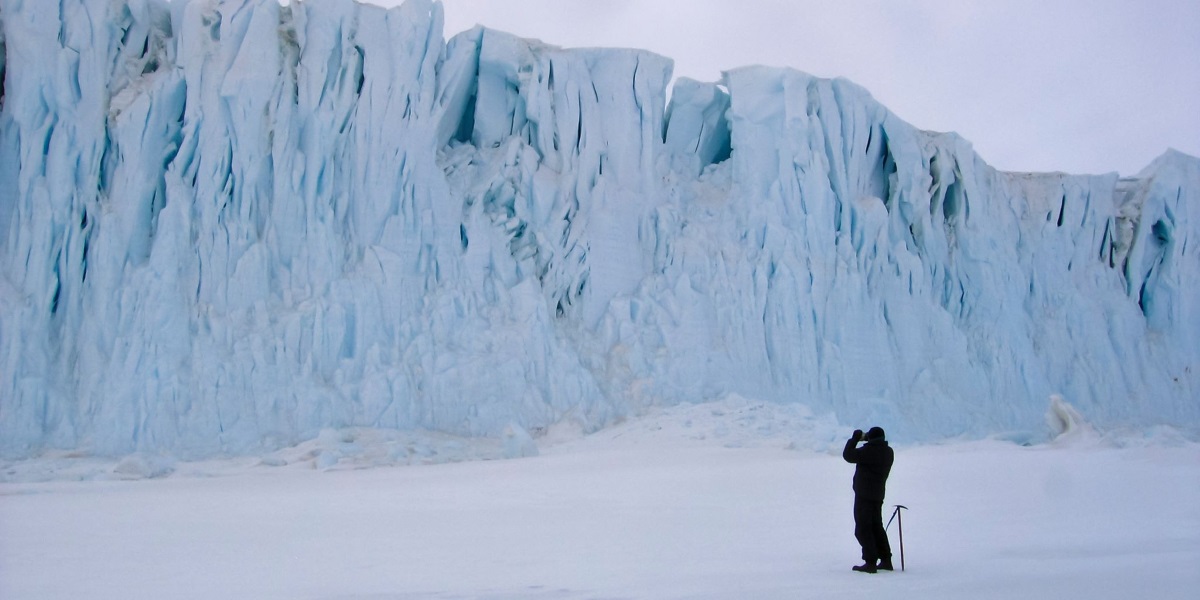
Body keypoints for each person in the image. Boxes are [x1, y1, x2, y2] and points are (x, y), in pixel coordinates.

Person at [842, 426, 894, 573]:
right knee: (877, 527)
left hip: (864, 495)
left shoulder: (868, 451)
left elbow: (848, 455)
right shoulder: (888, 452)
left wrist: (854, 439)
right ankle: (886, 559)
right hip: (878, 495)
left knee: (863, 529)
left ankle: (870, 561)